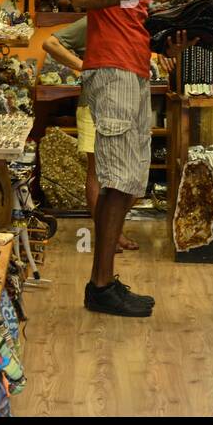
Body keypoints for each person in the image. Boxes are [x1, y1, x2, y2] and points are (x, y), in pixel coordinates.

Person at [70, 0, 187, 318]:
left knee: (130, 181)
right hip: (112, 69)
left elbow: (133, 17)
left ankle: (104, 281)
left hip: (135, 69)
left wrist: (169, 36)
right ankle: (100, 285)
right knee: (118, 180)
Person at [42, 17, 139, 252]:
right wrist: (84, 66)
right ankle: (108, 234)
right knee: (97, 172)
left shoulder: (133, 19)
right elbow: (50, 44)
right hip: (95, 105)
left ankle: (113, 230)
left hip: (127, 105)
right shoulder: (94, 20)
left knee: (132, 174)